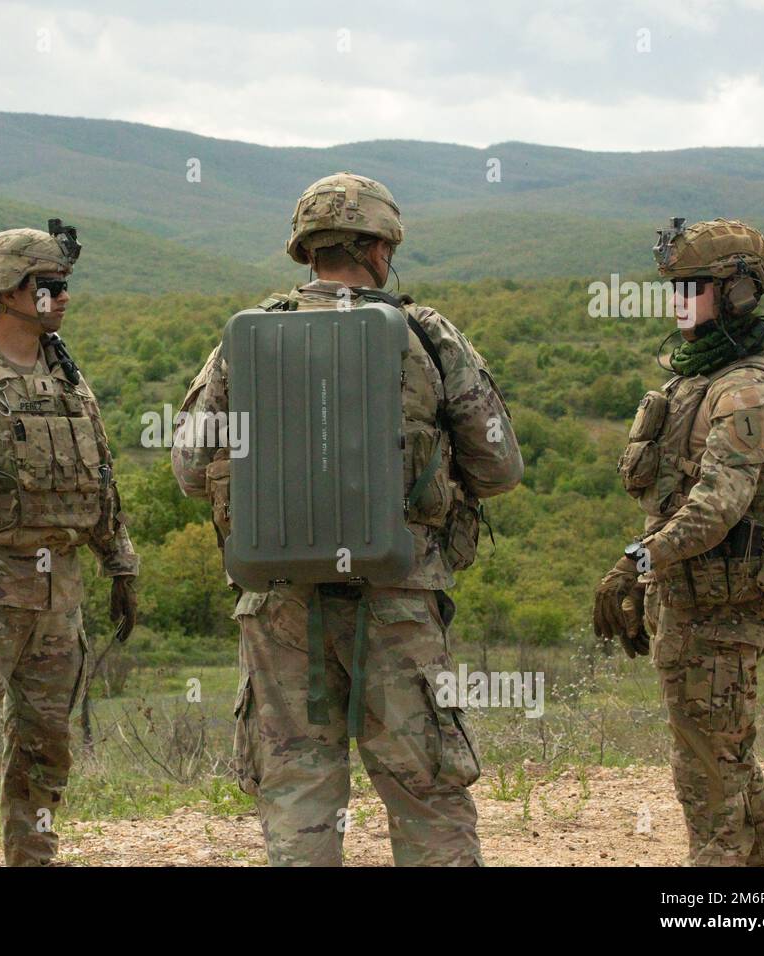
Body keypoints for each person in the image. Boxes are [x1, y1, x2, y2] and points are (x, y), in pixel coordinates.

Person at [172, 173, 524, 866]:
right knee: (427, 790)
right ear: (379, 246)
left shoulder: (246, 338)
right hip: (399, 594)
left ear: (307, 249)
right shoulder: (428, 336)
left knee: (299, 795)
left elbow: (189, 471)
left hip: (278, 606)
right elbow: (499, 467)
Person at [0, 223, 138, 866]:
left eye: (64, 284)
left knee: (46, 748)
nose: (62, 296)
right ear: (8, 291)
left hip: (57, 589)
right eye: (49, 285)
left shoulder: (66, 376)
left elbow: (99, 474)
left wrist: (120, 565)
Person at [595, 217, 764, 867]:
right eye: (675, 286)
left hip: (720, 613)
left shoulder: (745, 389)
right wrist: (645, 570)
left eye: (695, 286)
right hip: (687, 602)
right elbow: (671, 497)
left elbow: (717, 505)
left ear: (738, 293)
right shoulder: (693, 383)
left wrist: (638, 561)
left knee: (710, 775)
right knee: (723, 759)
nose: (679, 299)